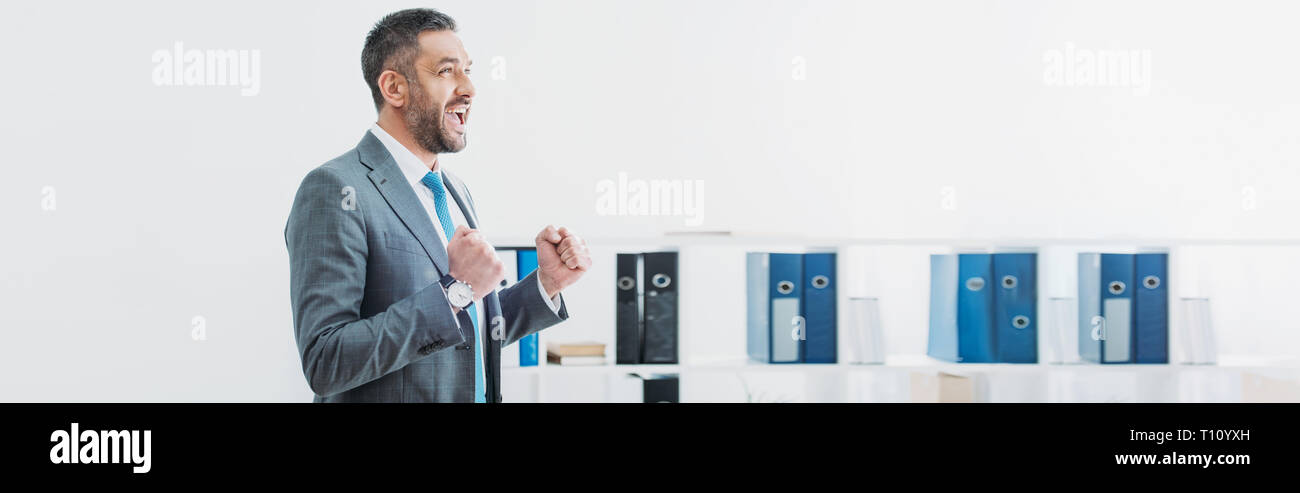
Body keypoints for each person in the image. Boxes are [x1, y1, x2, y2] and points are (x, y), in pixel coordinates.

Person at [285, 8, 591, 402]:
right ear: (394, 88)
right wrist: (456, 290)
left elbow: (467, 331)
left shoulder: (453, 190)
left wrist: (547, 285)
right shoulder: (335, 188)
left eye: (468, 70)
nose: (469, 88)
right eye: (447, 71)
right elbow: (327, 360)